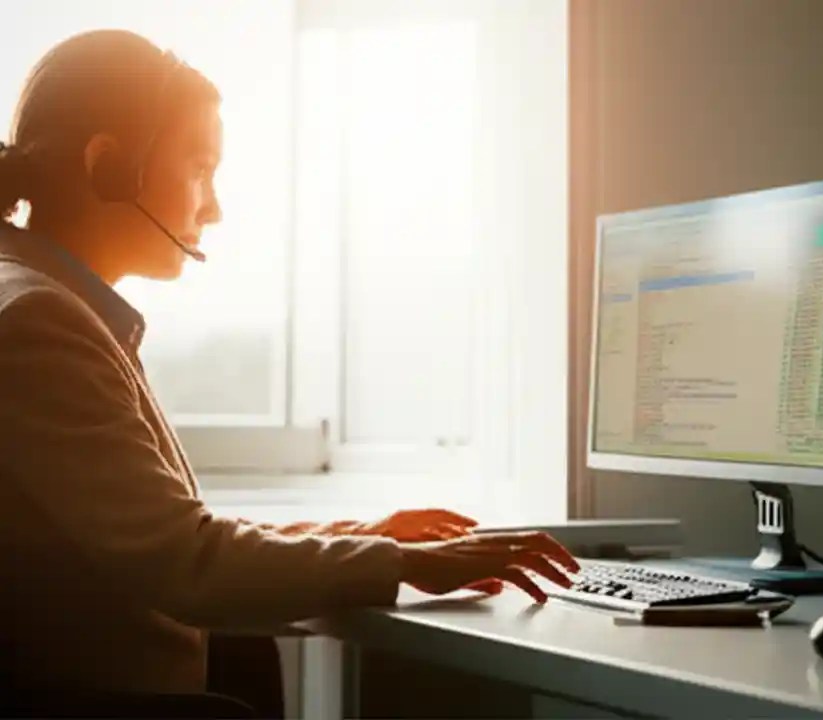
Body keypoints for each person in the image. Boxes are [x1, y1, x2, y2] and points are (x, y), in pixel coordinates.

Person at [0, 28, 578, 706]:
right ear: (108, 166)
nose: (212, 206)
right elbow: (187, 564)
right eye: (199, 169)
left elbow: (171, 534)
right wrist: (406, 563)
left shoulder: (51, 304)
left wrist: (369, 534)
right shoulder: (40, 322)